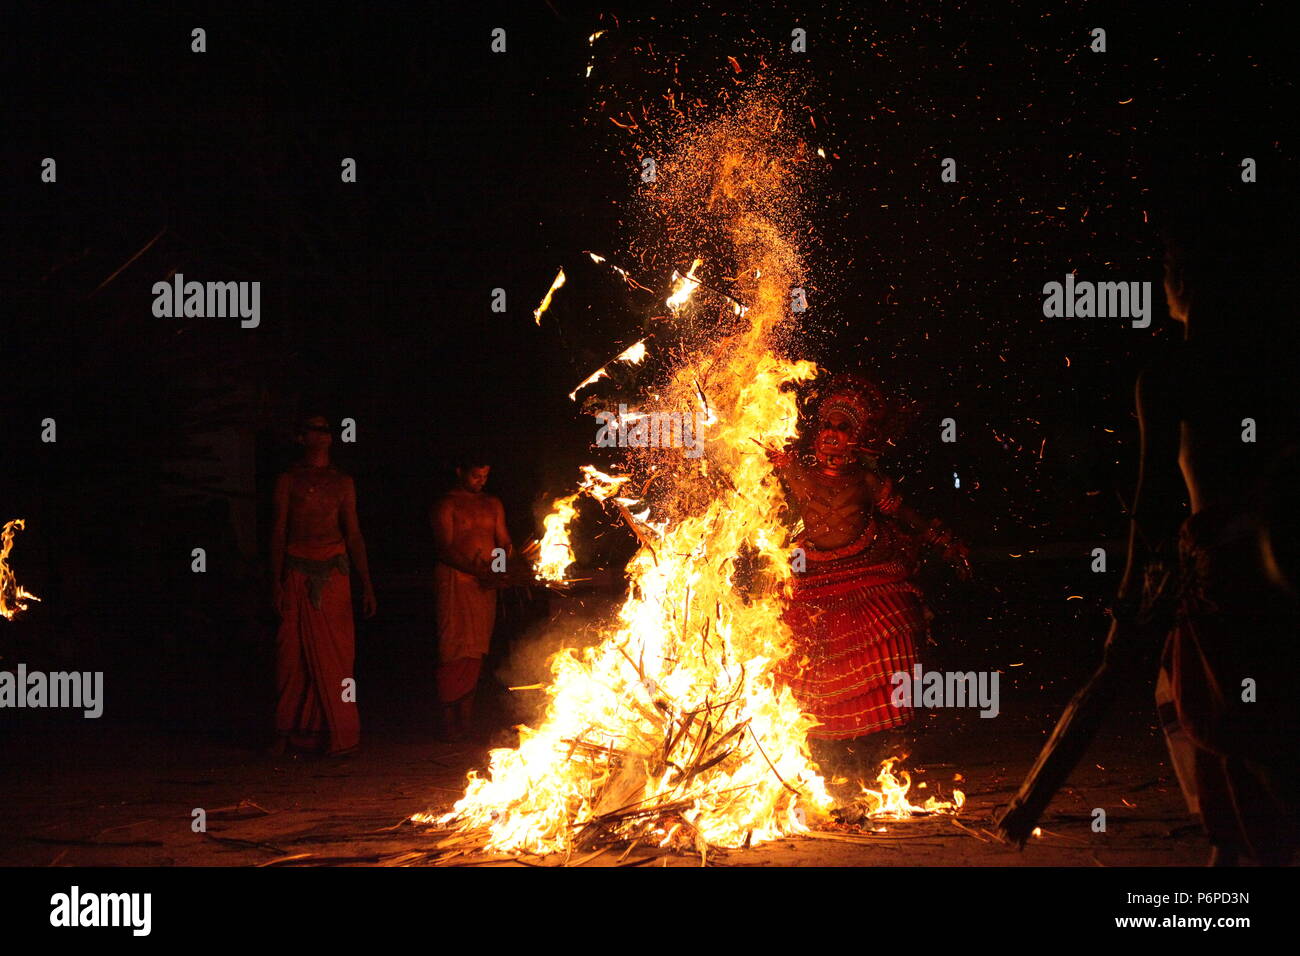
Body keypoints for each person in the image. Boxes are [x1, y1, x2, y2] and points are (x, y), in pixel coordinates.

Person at [1113, 193, 1298, 864]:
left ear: (1186, 278)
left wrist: (1127, 602)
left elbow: (1151, 500)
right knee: (1223, 711)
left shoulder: (1171, 370)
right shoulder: (1273, 363)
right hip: (1264, 560)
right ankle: (1232, 850)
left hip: (1226, 569)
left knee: (1228, 719)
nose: (1163, 283)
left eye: (1167, 267)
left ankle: (1256, 845)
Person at [768, 375, 968, 766]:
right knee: (798, 655)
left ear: (857, 439)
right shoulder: (796, 470)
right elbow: (757, 447)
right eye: (827, 424)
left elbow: (907, 515)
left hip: (868, 568)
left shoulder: (866, 479)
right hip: (815, 578)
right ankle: (818, 745)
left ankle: (891, 738)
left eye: (843, 428)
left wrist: (943, 541)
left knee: (898, 628)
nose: (832, 433)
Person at [269, 414, 376, 756]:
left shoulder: (343, 482)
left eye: (327, 430)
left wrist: (367, 583)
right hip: (297, 570)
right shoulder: (289, 480)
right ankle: (288, 735)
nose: (324, 435)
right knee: (291, 657)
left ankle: (340, 736)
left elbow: (354, 533)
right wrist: (275, 581)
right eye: (315, 429)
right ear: (302, 437)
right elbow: (278, 531)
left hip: (334, 573)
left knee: (337, 656)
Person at [431, 455, 514, 740]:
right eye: (476, 476)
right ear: (459, 471)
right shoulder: (447, 503)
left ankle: (464, 723)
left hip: (484, 586)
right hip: (456, 582)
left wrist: (498, 571)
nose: (481, 481)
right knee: (453, 651)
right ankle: (447, 723)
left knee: (475, 650)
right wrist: (477, 571)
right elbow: (444, 548)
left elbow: (503, 542)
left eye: (485, 476)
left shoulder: (492, 504)